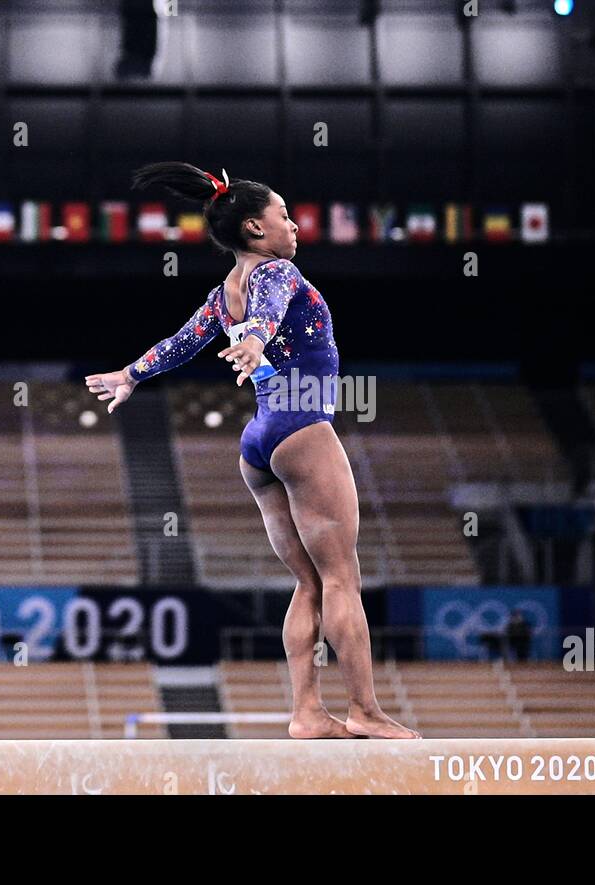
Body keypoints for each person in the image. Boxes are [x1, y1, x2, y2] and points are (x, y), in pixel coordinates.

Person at [85, 161, 418, 739]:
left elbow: (182, 342)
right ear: (255, 231)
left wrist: (132, 373)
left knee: (310, 584)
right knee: (341, 579)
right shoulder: (276, 272)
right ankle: (364, 710)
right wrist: (260, 336)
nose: (294, 226)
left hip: (259, 443)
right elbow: (272, 305)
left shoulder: (224, 293)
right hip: (302, 426)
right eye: (284, 216)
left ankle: (308, 711)